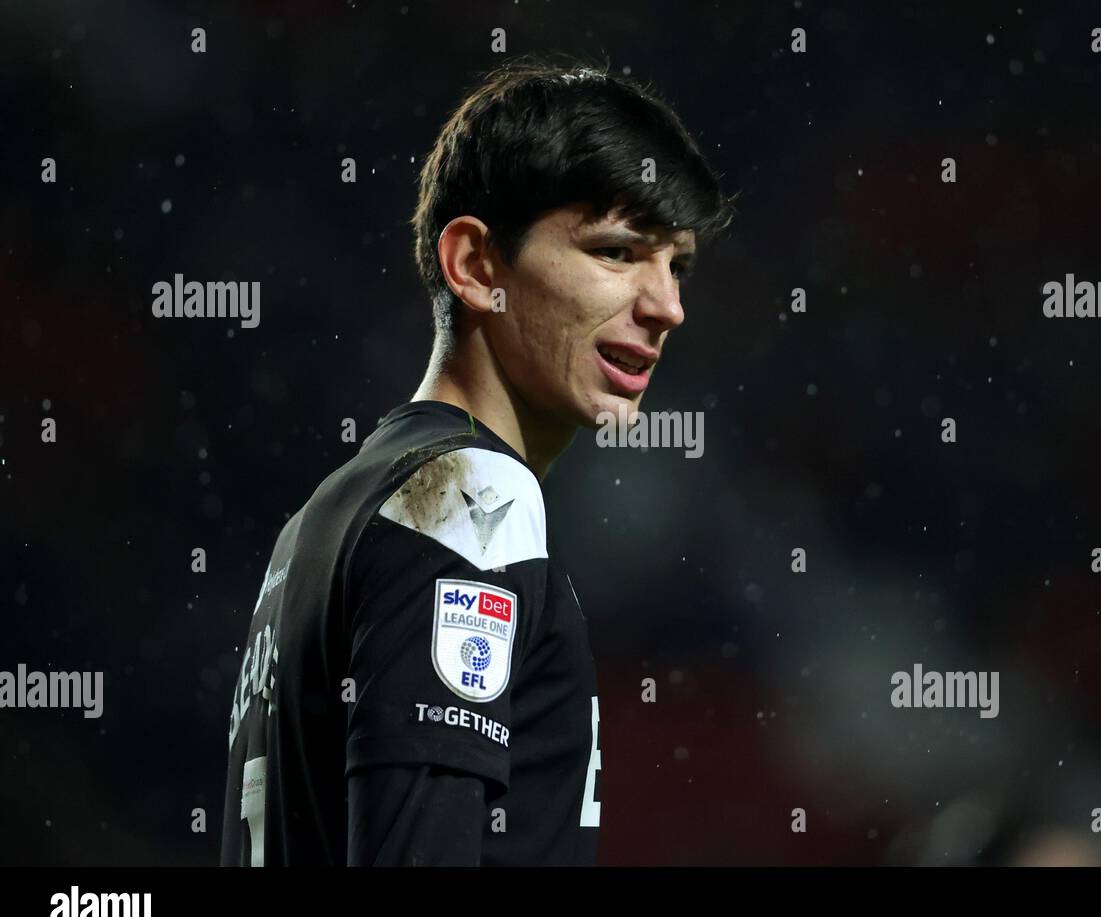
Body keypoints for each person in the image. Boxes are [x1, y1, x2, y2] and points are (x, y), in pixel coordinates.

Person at [219, 53, 735, 865]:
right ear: (474, 265)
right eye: (616, 251)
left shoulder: (321, 521)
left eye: (678, 266)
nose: (666, 305)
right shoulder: (469, 496)